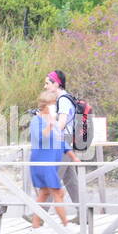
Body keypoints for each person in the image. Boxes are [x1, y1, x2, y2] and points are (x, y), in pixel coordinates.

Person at [29, 90, 70, 229]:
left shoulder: (52, 121)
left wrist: (73, 156)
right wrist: (50, 125)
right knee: (57, 192)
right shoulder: (37, 120)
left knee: (45, 193)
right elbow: (40, 138)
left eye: (55, 105)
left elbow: (60, 140)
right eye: (52, 105)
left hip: (51, 163)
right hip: (42, 162)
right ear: (45, 106)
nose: (54, 108)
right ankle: (66, 224)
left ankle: (35, 225)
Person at [44, 70, 80, 215]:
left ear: (56, 84)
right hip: (66, 140)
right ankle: (84, 214)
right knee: (71, 181)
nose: (45, 86)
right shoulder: (64, 99)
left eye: (47, 83)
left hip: (62, 141)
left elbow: (62, 123)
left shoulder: (63, 99)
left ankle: (38, 214)